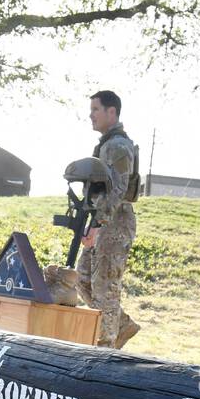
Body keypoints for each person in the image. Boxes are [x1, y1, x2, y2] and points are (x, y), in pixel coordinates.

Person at [76, 90, 139, 349]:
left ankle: (106, 347)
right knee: (83, 278)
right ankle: (121, 324)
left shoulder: (118, 146)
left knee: (105, 287)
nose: (90, 115)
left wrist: (98, 225)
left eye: (95, 109)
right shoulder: (107, 144)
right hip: (102, 222)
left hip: (115, 224)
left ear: (111, 112)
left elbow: (118, 189)